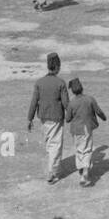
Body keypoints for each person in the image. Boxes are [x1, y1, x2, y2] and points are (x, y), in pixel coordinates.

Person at [27, 52, 70, 183]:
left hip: (44, 117)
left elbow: (34, 102)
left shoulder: (39, 83)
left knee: (49, 144)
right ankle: (52, 172)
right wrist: (74, 115)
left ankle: (52, 169)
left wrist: (30, 119)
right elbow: (66, 104)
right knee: (55, 145)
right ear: (58, 66)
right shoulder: (61, 83)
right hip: (57, 117)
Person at [66, 77, 107, 188]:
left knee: (79, 149)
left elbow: (67, 119)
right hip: (86, 128)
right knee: (87, 149)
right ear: (82, 88)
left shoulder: (72, 103)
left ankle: (81, 168)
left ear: (73, 91)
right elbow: (99, 111)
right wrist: (104, 118)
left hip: (75, 130)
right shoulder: (90, 99)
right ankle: (85, 173)